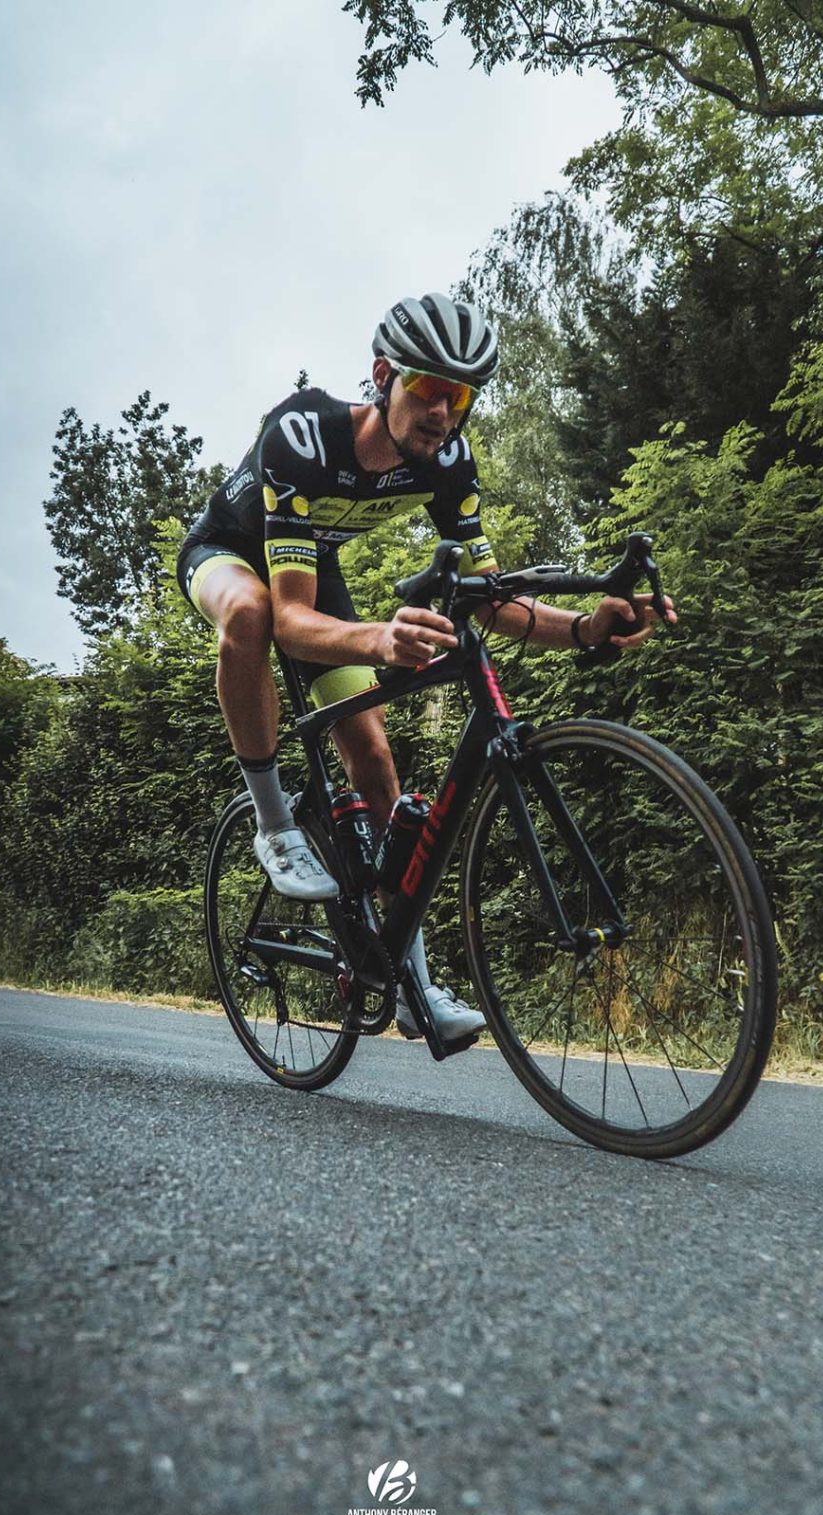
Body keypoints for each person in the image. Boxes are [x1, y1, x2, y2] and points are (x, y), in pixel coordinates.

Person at [178, 292, 675, 1042]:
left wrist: (584, 627)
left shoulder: (448, 462)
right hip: (229, 555)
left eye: (462, 394)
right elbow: (288, 617)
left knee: (377, 765)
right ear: (384, 376)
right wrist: (379, 638)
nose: (445, 411)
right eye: (430, 389)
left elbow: (489, 598)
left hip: (314, 572)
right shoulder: (304, 435)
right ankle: (275, 822)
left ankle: (412, 981)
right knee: (248, 617)